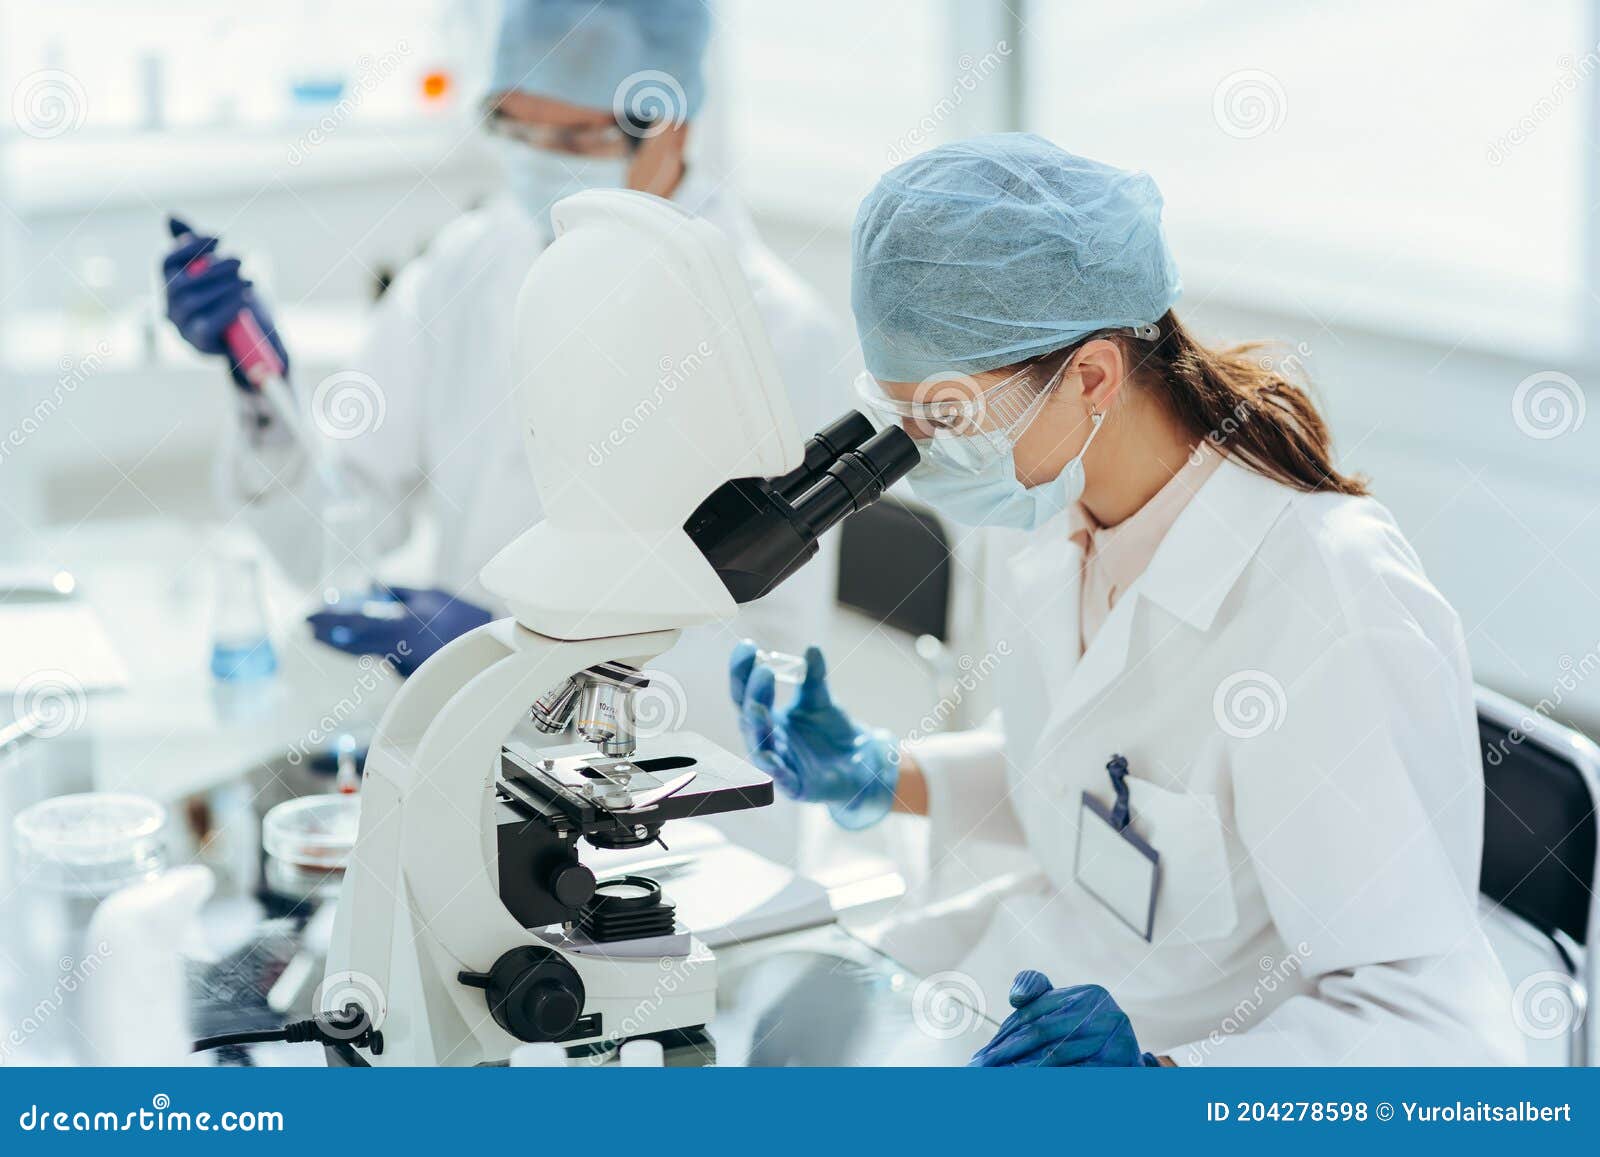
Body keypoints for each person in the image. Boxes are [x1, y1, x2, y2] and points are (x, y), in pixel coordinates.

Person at [730, 133, 1523, 1066]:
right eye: (903, 415)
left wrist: (1159, 1082)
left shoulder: (1329, 598)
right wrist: (888, 774)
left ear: (1094, 376)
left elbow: (1435, 1029)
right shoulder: (1057, 511)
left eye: (941, 416)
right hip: (1026, 986)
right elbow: (1112, 784)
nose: (922, 454)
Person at [162, 0, 851, 773]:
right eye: (514, 126)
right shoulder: (467, 265)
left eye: (571, 136)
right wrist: (266, 392)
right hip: (466, 758)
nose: (536, 159)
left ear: (673, 121)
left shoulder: (775, 332)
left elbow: (763, 655)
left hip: (674, 805)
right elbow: (332, 536)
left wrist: (512, 655)